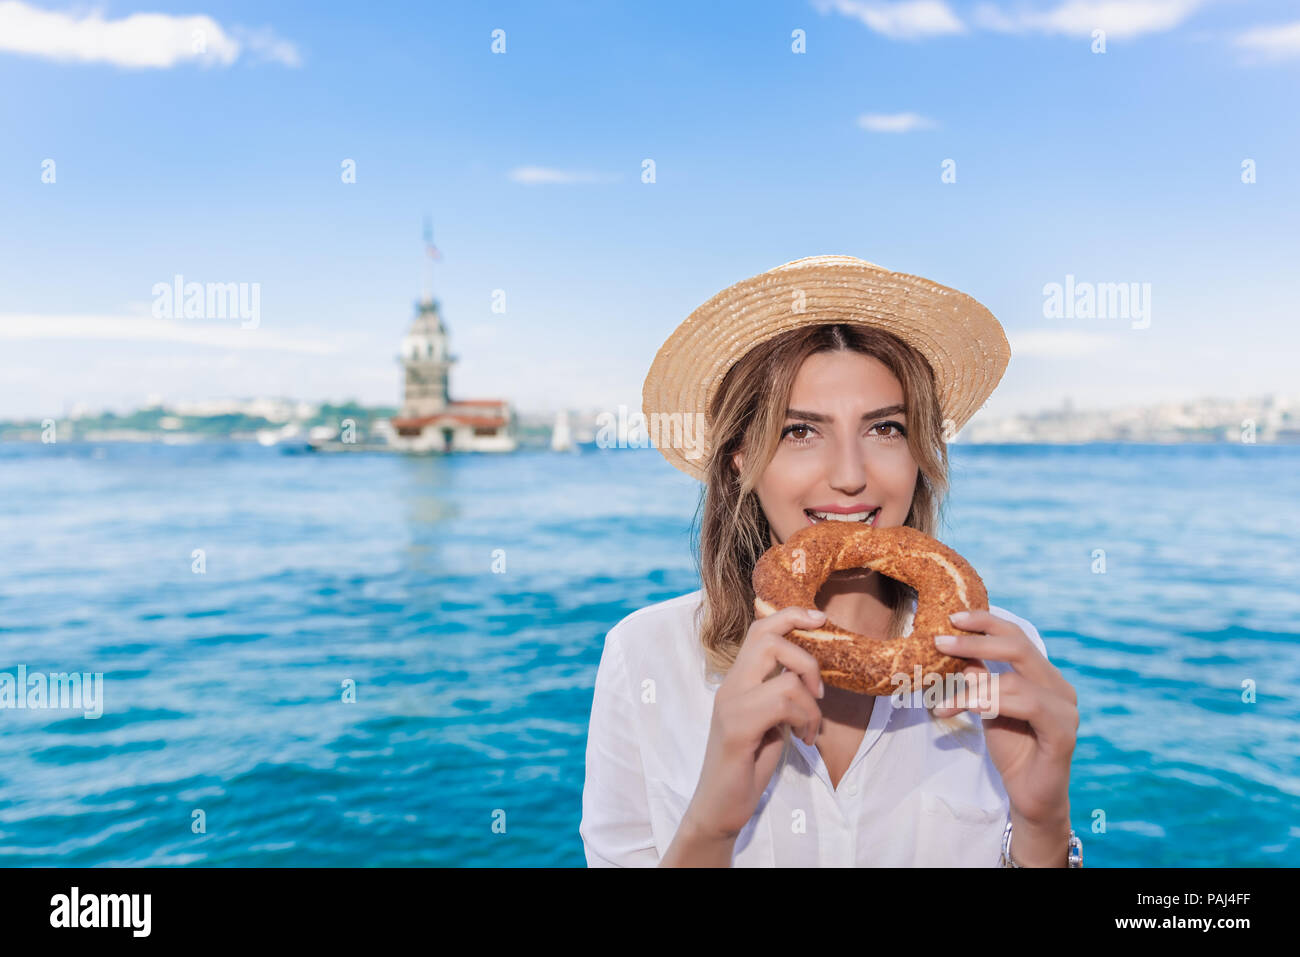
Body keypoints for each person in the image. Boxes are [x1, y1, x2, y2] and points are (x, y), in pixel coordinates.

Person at [580, 255, 1080, 867]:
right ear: (741, 459)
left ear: (921, 452)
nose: (849, 476)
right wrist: (710, 826)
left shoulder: (1002, 660)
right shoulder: (645, 656)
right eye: (800, 432)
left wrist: (1044, 825)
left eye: (885, 429)